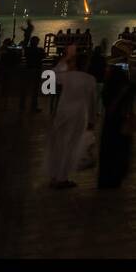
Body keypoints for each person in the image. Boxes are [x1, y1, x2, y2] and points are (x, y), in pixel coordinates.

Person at [44, 47, 96, 189]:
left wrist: (65, 58)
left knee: (58, 144)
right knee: (71, 146)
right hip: (79, 115)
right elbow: (92, 102)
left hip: (62, 113)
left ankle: (54, 175)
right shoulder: (90, 80)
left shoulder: (66, 76)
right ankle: (62, 177)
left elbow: (49, 76)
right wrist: (92, 120)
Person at [98, 66, 136, 189]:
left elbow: (105, 103)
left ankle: (105, 178)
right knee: (120, 150)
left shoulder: (108, 88)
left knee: (108, 151)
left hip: (110, 123)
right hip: (122, 121)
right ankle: (116, 177)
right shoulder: (128, 87)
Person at [21, 36, 44, 112]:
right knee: (35, 89)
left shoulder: (27, 49)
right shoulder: (40, 50)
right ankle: (33, 106)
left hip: (28, 69)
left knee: (26, 88)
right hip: (36, 69)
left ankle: (22, 105)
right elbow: (43, 56)